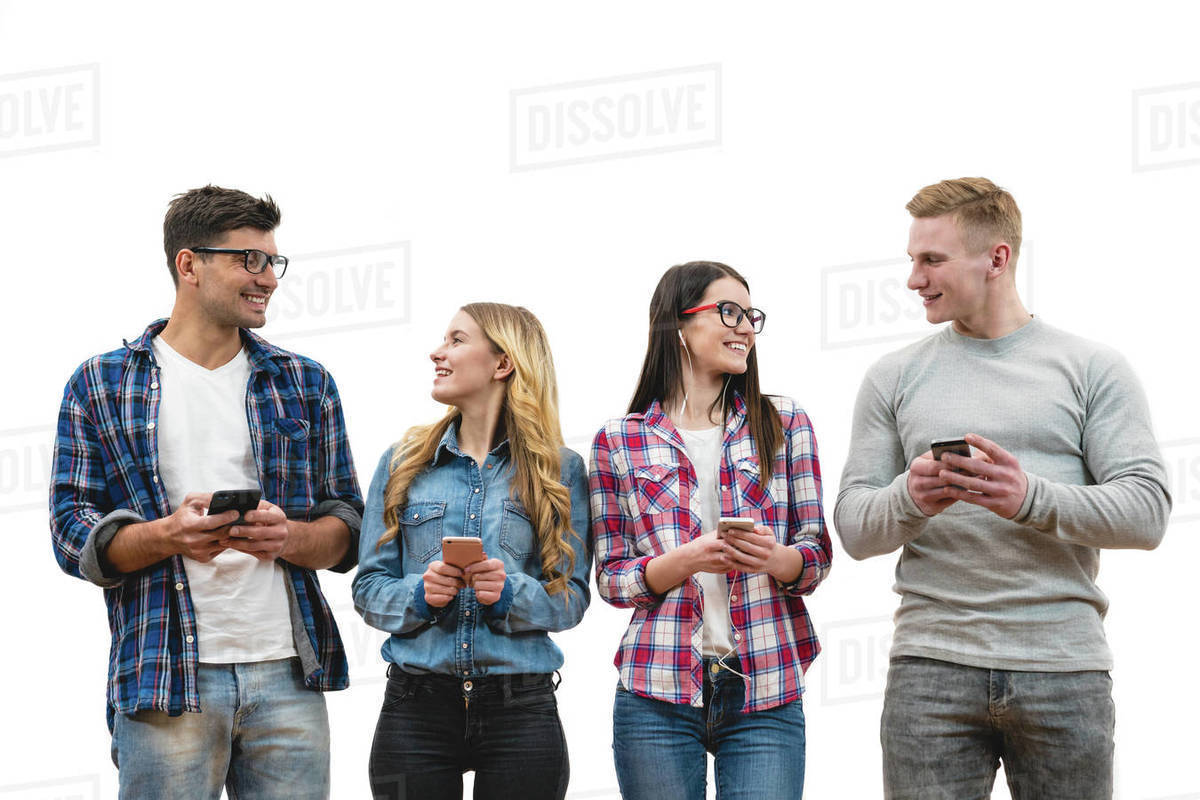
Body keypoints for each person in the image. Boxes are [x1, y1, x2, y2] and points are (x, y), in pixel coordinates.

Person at [834, 177, 1171, 799]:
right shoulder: (893, 376)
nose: (913, 280)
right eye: (912, 259)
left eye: (932, 260)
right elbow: (853, 527)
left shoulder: (1094, 368)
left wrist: (1029, 499)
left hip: (1064, 671)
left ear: (997, 258)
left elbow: (1147, 512)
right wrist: (910, 498)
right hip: (930, 670)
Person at [49, 185, 363, 800]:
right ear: (189, 264)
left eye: (273, 261)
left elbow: (349, 525)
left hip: (289, 675)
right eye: (250, 259)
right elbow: (70, 532)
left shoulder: (305, 382)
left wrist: (289, 537)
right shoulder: (102, 383)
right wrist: (167, 535)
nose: (267, 278)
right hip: (164, 674)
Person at [589, 261, 831, 800]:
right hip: (656, 689)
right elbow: (611, 579)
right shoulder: (618, 440)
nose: (745, 327)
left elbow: (816, 555)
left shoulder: (785, 423)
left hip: (765, 686)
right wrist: (687, 560)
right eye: (728, 312)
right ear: (678, 323)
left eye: (750, 315)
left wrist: (775, 558)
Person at [352, 302, 591, 800]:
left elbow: (571, 599)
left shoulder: (560, 469)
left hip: (522, 710)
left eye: (456, 340)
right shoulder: (402, 463)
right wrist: (420, 595)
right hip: (416, 707)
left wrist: (510, 593)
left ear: (503, 363)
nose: (437, 353)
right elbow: (368, 588)